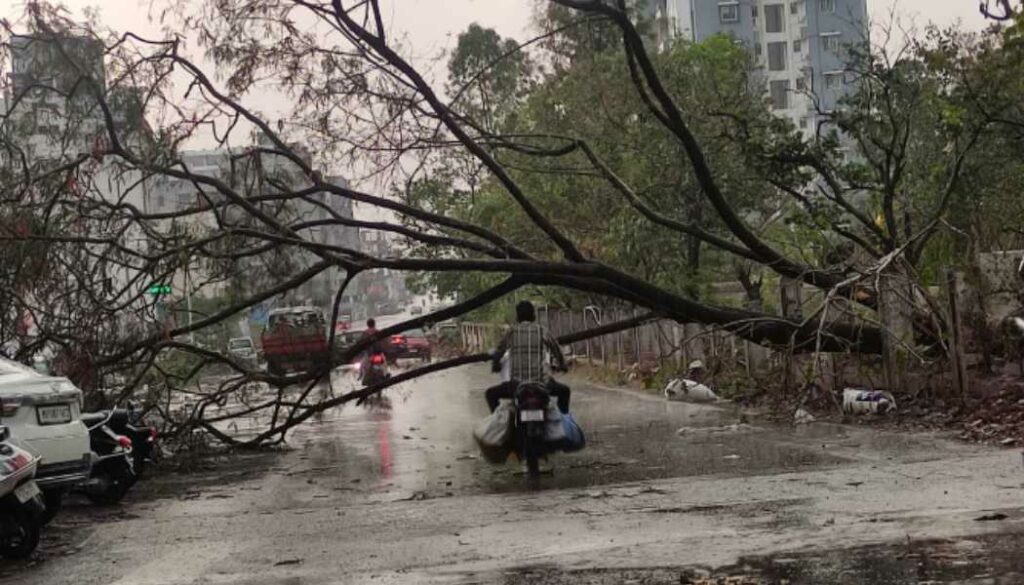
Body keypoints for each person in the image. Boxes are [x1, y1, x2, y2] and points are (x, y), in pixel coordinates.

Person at [486, 301, 571, 414]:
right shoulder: (542, 330)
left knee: (490, 394)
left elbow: (499, 352)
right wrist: (562, 365)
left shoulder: (511, 332)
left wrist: (496, 365)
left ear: (517, 317)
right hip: (542, 384)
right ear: (533, 316)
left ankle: (498, 417)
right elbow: (557, 350)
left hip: (516, 386)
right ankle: (565, 419)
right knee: (565, 391)